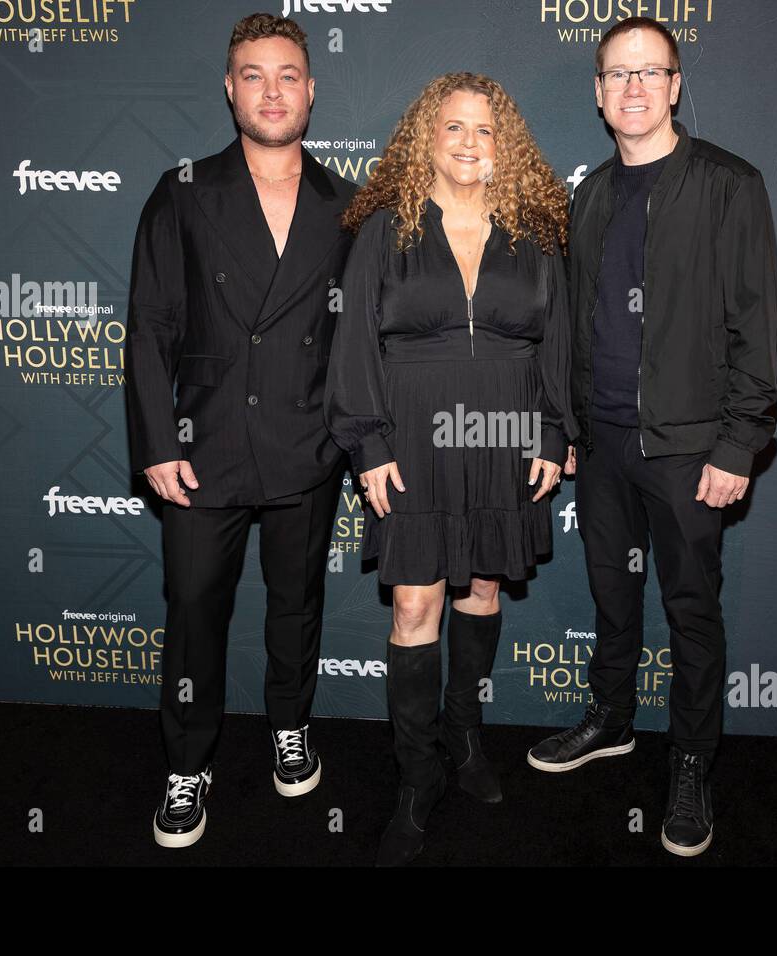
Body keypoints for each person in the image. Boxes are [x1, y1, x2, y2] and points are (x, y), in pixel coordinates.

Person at [526, 17, 777, 858]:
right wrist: (564, 427)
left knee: (691, 611)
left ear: (675, 85)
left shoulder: (728, 185)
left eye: (650, 72)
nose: (633, 88)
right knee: (611, 596)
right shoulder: (590, 194)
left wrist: (738, 445)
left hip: (686, 449)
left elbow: (755, 326)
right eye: (616, 74)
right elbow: (575, 326)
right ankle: (611, 720)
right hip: (600, 443)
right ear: (598, 94)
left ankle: (693, 762)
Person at [324, 72, 577, 866]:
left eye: (485, 130)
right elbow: (354, 345)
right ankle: (416, 771)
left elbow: (557, 342)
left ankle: (466, 737)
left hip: (505, 433)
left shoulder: (535, 233)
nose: (470, 143)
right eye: (454, 128)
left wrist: (552, 431)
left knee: (484, 587)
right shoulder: (384, 231)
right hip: (413, 440)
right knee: (414, 605)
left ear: (507, 145)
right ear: (424, 139)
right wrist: (368, 444)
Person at [124, 13, 358, 848]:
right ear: (230, 88)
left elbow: (358, 336)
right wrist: (156, 441)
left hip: (305, 443)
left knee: (297, 606)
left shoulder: (346, 205)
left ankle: (289, 727)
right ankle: (188, 763)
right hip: (202, 443)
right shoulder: (182, 189)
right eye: (253, 75)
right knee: (193, 612)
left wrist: (353, 439)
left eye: (288, 74)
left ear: (311, 88)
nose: (272, 90)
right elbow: (149, 323)